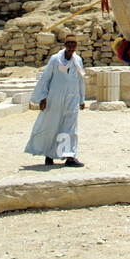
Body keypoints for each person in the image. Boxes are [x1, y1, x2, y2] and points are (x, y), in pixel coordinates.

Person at [25, 35, 86, 167]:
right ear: (65, 45)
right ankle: (49, 155)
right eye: (69, 44)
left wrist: (82, 99)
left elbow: (80, 80)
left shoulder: (78, 60)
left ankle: (69, 156)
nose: (71, 47)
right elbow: (45, 78)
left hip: (72, 99)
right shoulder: (55, 59)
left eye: (73, 44)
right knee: (52, 126)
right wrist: (43, 97)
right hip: (55, 99)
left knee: (70, 128)